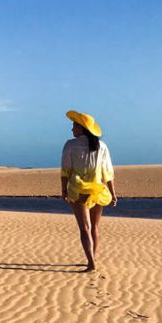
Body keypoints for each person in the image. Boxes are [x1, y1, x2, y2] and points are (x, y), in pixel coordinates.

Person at [61, 110, 117, 272]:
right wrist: (113, 194)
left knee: (84, 228)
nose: (72, 129)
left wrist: (63, 191)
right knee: (94, 227)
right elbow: (108, 173)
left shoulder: (70, 145)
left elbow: (66, 171)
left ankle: (91, 263)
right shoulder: (102, 146)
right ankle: (92, 259)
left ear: (82, 128)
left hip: (78, 190)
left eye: (74, 126)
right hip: (98, 190)